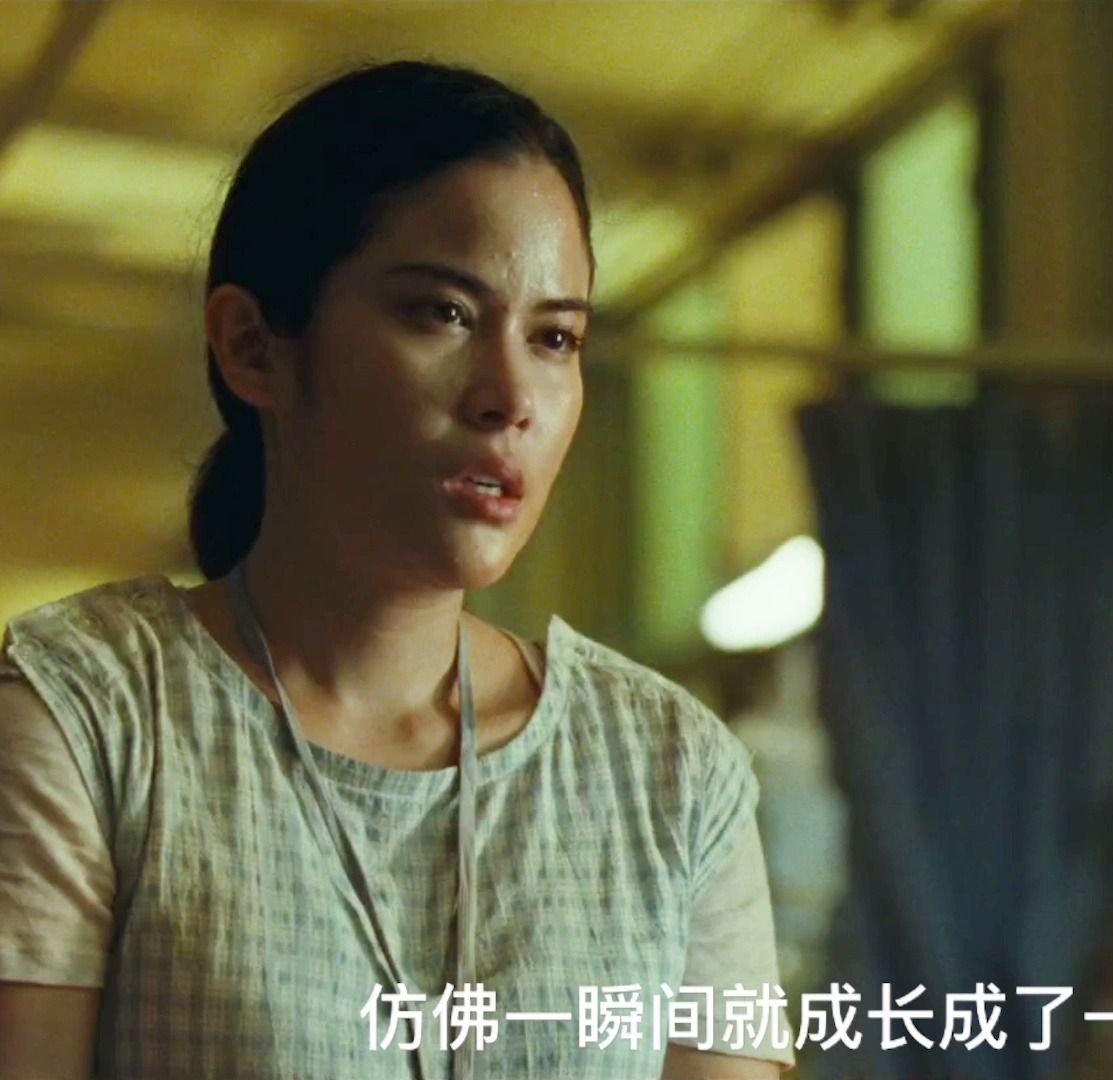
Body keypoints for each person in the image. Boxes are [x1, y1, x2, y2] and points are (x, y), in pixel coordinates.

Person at [0, 61, 791, 1080]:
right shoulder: (90, 716)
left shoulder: (670, 773)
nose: (511, 396)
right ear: (252, 347)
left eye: (555, 337)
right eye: (442, 314)